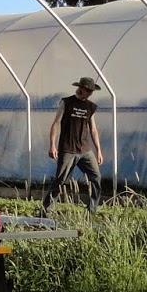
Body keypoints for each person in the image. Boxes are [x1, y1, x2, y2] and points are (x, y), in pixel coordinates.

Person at [41, 77, 105, 215]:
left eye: (91, 91)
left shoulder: (90, 107)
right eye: (88, 90)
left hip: (85, 150)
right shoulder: (66, 102)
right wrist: (52, 145)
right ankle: (46, 210)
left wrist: (99, 150)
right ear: (80, 88)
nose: (90, 93)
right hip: (67, 149)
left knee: (96, 177)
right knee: (60, 179)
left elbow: (93, 129)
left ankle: (91, 210)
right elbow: (56, 123)